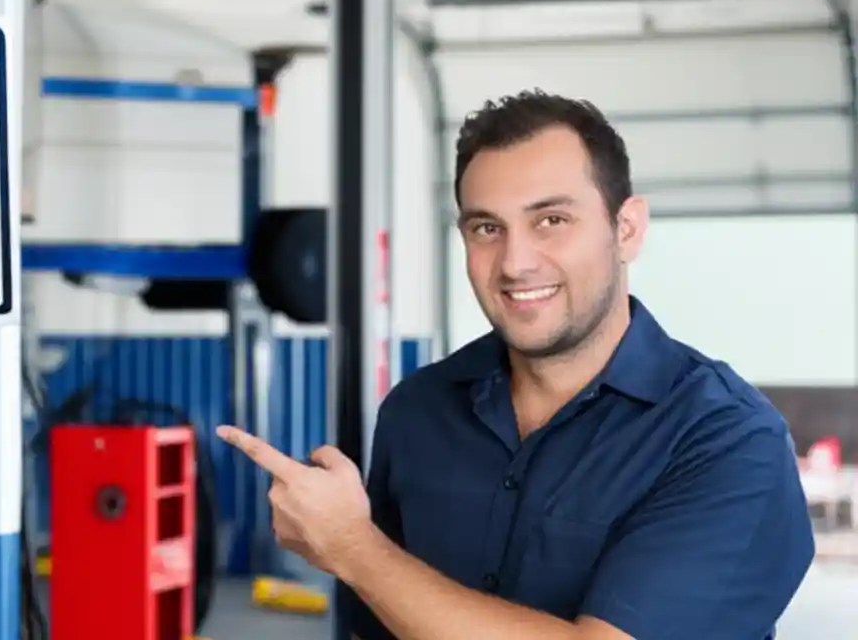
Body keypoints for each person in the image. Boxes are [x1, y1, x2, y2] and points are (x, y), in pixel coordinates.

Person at [217, 90, 815, 639]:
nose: (515, 262)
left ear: (626, 229)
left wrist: (351, 546)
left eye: (551, 220)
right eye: (487, 228)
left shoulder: (728, 441)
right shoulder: (419, 410)